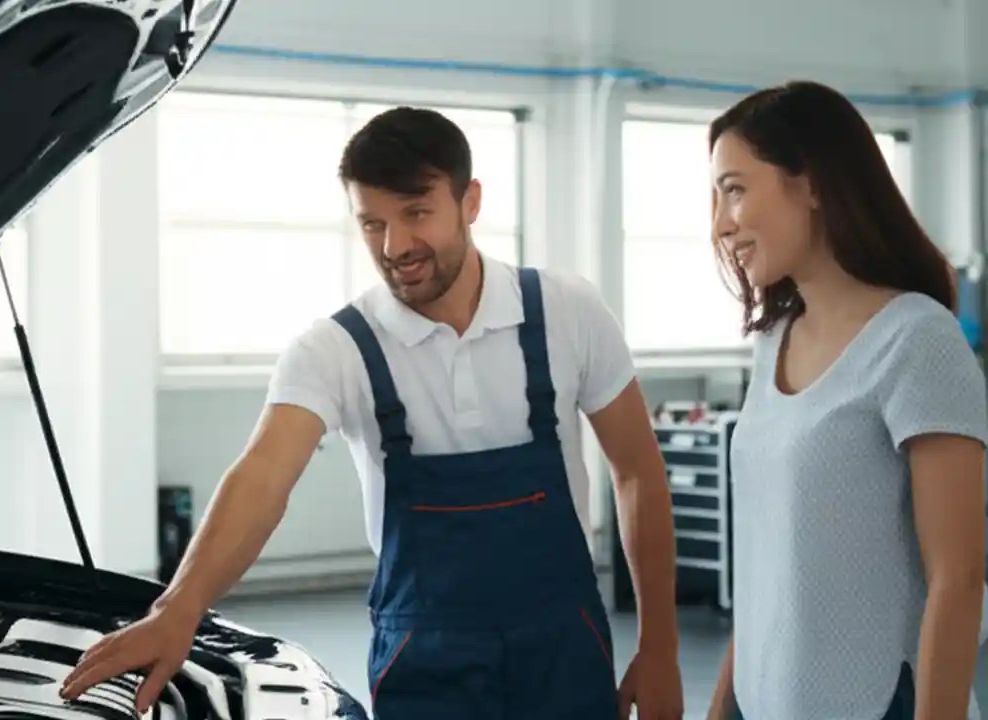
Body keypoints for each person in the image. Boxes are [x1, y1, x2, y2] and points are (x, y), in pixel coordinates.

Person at [61, 106, 685, 719]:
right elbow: (262, 478)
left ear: (470, 202)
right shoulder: (335, 349)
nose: (395, 246)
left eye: (416, 213)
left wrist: (660, 648)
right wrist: (179, 607)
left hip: (564, 647)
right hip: (426, 661)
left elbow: (635, 470)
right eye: (371, 223)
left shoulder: (567, 312)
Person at [703, 80, 987, 720]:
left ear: (811, 184)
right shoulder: (771, 343)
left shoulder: (917, 339)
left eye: (736, 189)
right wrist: (723, 707)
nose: (722, 224)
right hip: (763, 699)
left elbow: (960, 576)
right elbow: (761, 567)